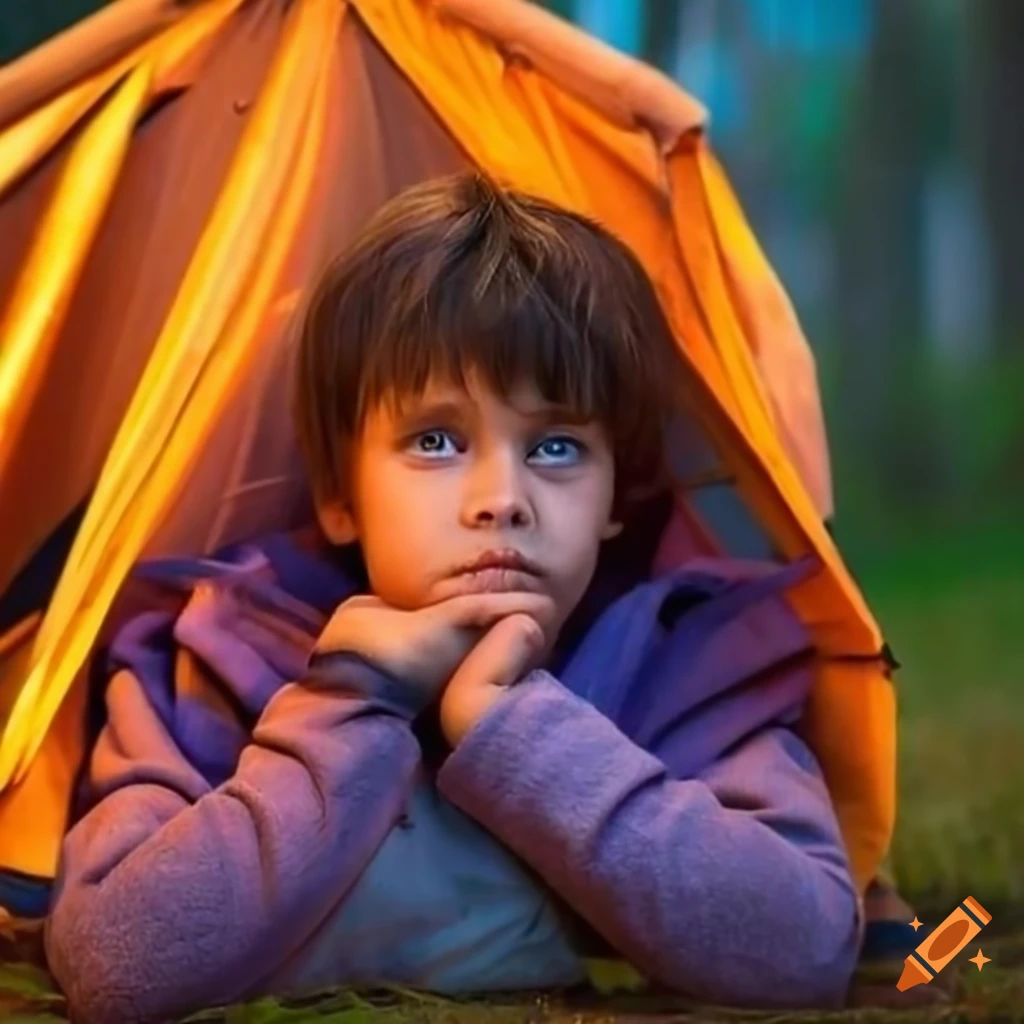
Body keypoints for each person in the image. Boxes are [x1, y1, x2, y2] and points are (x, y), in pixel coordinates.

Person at [44, 173, 862, 1023]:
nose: (501, 497)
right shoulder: (218, 659)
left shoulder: (680, 669)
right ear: (340, 495)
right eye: (435, 440)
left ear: (617, 496)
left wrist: (517, 732)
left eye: (555, 447)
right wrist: (347, 705)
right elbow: (115, 964)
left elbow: (805, 949)